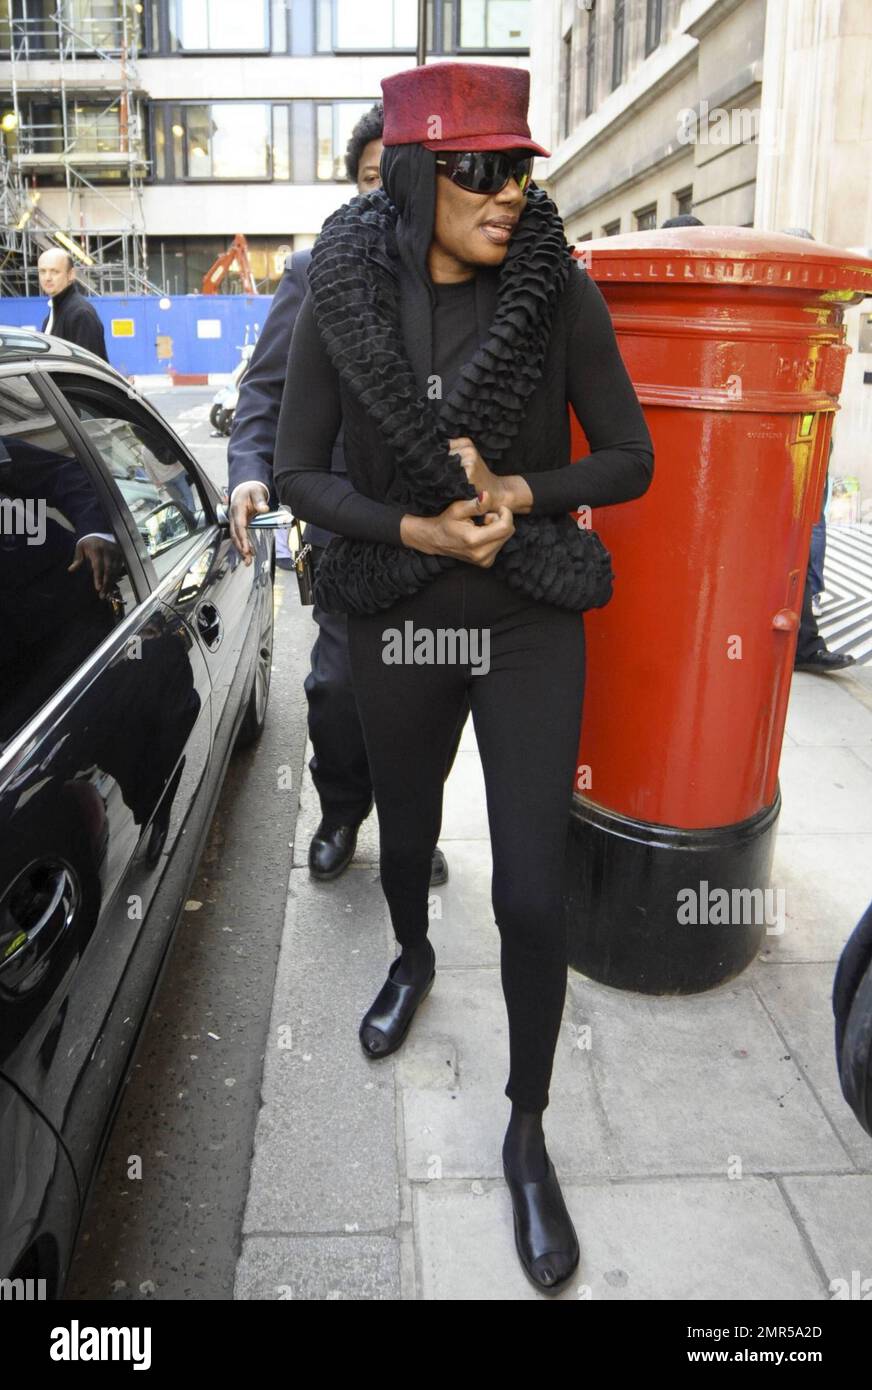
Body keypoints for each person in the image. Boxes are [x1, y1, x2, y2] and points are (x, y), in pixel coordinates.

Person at [274, 61, 654, 1292]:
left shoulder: (555, 290)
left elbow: (631, 458)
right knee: (407, 836)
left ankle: (528, 1125)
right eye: (478, 170)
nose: (506, 193)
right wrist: (415, 531)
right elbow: (299, 476)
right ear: (415, 174)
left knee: (533, 894)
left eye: (518, 167)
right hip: (395, 614)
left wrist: (519, 493)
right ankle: (409, 954)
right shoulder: (343, 293)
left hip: (531, 616)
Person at [228, 105, 456, 886]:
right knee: (338, 688)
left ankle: (412, 832)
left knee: (424, 696)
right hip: (340, 523)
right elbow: (264, 389)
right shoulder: (313, 272)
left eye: (404, 178)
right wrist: (251, 470)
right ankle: (340, 810)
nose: (387, 192)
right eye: (371, 177)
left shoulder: (458, 279)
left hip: (437, 528)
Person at [779, 229, 854, 674]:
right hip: (801, 445)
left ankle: (804, 632)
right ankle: (804, 635)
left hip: (809, 443)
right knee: (807, 531)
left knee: (810, 531)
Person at [38, 248, 108, 361]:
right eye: (42, 271)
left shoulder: (80, 314)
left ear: (71, 274)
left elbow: (88, 370)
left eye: (55, 271)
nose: (47, 278)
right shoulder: (54, 313)